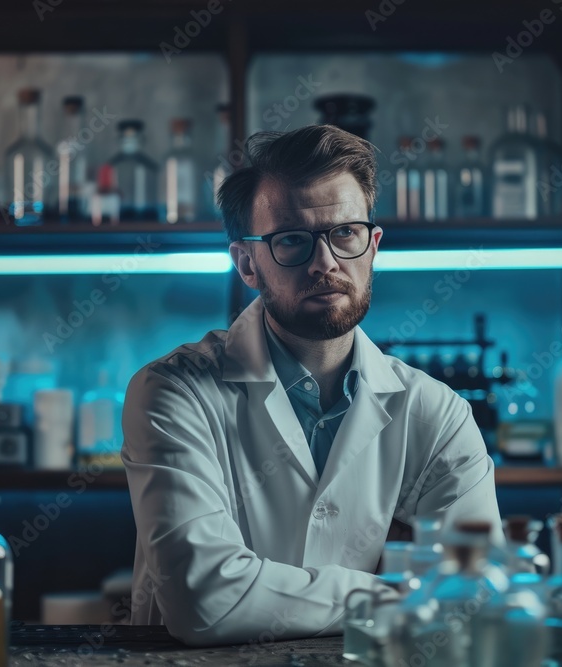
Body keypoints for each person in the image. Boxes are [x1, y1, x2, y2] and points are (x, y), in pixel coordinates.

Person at [122, 124, 503, 646]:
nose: (325, 263)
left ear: (373, 245)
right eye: (293, 241)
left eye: (345, 233)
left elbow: (473, 593)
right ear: (247, 263)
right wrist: (397, 591)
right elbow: (206, 601)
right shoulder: (173, 392)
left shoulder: (437, 414)